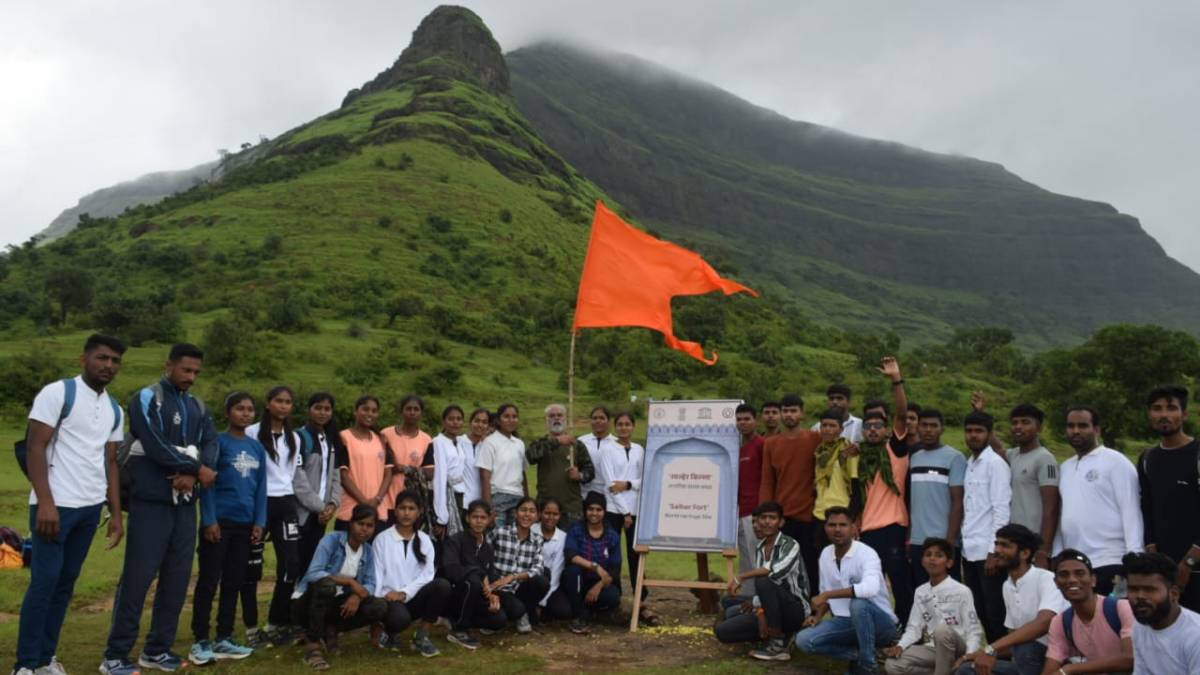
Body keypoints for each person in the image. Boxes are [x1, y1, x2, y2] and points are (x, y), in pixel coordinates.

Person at [102, 343, 218, 675]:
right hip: (151, 504)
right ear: (169, 365)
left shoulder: (197, 405)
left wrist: (194, 470)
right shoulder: (147, 398)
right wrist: (194, 469)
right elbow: (152, 443)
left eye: (196, 372)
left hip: (185, 507)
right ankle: (115, 654)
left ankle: (157, 649)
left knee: (177, 580)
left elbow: (211, 442)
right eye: (186, 370)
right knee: (138, 580)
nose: (191, 377)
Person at [16, 334, 126, 675]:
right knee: (44, 581)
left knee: (65, 583)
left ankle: (46, 658)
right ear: (84, 359)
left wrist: (116, 513)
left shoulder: (114, 409)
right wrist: (46, 502)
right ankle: (25, 665)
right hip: (56, 505)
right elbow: (35, 447)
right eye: (102, 358)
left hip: (90, 507)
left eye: (114, 361)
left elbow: (110, 462)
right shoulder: (58, 393)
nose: (108, 366)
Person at [188, 392, 266, 666]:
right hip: (219, 523)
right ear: (228, 411)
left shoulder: (257, 449)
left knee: (234, 581)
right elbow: (206, 484)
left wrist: (260, 521)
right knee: (209, 581)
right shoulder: (216, 443)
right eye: (239, 408)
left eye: (249, 409)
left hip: (245, 525)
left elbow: (261, 489)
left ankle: (224, 637)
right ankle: (200, 640)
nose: (245, 413)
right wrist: (209, 519)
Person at [795, 506, 897, 674]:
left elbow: (870, 589)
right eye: (832, 525)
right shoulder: (826, 554)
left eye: (843, 525)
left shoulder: (867, 553)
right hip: (845, 622)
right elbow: (825, 594)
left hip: (880, 624)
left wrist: (827, 594)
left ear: (853, 527)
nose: (837, 530)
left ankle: (868, 668)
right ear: (825, 527)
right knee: (805, 640)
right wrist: (818, 616)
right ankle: (865, 655)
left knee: (858, 604)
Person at [247, 385, 312, 646]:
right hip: (258, 502)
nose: (283, 406)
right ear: (268, 403)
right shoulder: (252, 432)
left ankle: (276, 622)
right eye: (279, 401)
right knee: (251, 567)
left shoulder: (294, 438)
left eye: (288, 402)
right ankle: (251, 628)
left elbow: (289, 473)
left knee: (291, 564)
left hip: (285, 503)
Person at [954, 524, 1067, 675]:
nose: (997, 550)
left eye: (1005, 546)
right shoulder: (1007, 586)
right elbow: (1012, 642)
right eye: (996, 544)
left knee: (1025, 647)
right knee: (967, 669)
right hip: (1026, 663)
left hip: (1057, 663)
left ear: (1024, 553)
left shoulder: (1046, 578)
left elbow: (1044, 623)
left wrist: (991, 648)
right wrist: (977, 654)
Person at [1056, 405, 1141, 596]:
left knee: (1116, 618)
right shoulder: (1065, 468)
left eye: (1083, 426)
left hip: (1112, 561)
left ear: (1096, 430)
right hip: (1078, 566)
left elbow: (1131, 510)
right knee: (1085, 622)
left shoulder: (1116, 462)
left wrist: (1134, 557)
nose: (1076, 431)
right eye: (1071, 426)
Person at [292, 504, 387, 671]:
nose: (364, 529)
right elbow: (313, 573)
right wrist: (349, 582)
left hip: (334, 604)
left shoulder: (368, 551)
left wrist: (357, 596)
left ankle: (331, 629)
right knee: (327, 585)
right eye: (360, 523)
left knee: (378, 606)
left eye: (369, 525)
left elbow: (371, 584)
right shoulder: (332, 540)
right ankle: (312, 646)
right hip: (307, 603)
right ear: (351, 523)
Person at [860, 356, 915, 628]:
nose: (872, 430)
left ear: (886, 430)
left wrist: (896, 379)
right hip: (866, 531)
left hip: (892, 526)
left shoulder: (894, 451)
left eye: (878, 426)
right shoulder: (859, 458)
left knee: (899, 581)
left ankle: (905, 627)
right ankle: (879, 628)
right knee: (872, 585)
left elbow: (902, 414)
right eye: (867, 426)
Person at [717, 501, 811, 661]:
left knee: (763, 581)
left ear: (781, 522)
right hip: (770, 607)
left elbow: (774, 572)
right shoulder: (760, 548)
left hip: (794, 609)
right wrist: (759, 609)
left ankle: (777, 643)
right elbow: (764, 590)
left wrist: (741, 577)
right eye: (763, 518)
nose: (767, 522)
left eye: (772, 518)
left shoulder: (790, 544)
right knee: (723, 628)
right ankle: (779, 636)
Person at [1137, 385, 1200, 611]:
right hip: (1164, 573)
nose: (1164, 414)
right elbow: (1147, 508)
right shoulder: (1148, 458)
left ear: (1184, 414)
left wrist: (1189, 563)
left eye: (1171, 408)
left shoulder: (1197, 454)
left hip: (1194, 568)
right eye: (1157, 408)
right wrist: (1152, 556)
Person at [883, 538, 983, 675]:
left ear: (949, 563)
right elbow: (914, 628)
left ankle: (949, 669)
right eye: (928, 555)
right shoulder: (921, 592)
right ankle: (947, 671)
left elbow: (974, 631)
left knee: (941, 630)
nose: (932, 559)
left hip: (958, 648)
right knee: (893, 665)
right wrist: (901, 645)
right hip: (933, 649)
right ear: (923, 561)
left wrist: (968, 656)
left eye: (939, 555)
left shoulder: (961, 591)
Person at [371, 491, 449, 657]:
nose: (406, 513)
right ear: (395, 510)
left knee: (442, 585)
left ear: (419, 511)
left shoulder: (425, 540)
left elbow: (427, 576)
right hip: (388, 599)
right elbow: (376, 574)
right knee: (400, 618)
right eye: (402, 508)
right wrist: (382, 599)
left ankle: (421, 637)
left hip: (412, 598)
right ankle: (390, 633)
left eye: (411, 508)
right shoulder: (382, 539)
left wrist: (404, 593)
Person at [760, 393, 823, 595]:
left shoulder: (815, 439)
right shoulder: (771, 443)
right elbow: (767, 481)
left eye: (793, 410)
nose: (789, 415)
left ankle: (813, 610)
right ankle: (787, 610)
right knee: (781, 567)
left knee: (811, 565)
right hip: (782, 517)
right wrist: (764, 517)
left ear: (802, 414)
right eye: (785, 411)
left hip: (809, 515)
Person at [960, 410, 1012, 643]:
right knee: (980, 610)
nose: (973, 436)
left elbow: (1001, 510)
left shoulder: (995, 464)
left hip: (987, 552)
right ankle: (993, 657)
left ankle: (1003, 661)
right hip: (969, 551)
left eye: (979, 431)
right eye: (969, 431)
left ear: (989, 434)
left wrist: (995, 551)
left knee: (995, 612)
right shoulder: (970, 464)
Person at [1040, 549, 1134, 675]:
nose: (1072, 579)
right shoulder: (1060, 622)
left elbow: (1131, 659)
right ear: (1056, 582)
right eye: (1064, 575)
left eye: (1079, 573)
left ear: (1093, 580)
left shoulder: (1121, 608)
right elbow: (1051, 668)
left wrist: (1071, 669)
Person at [908, 408, 967, 587]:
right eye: (924, 425)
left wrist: (949, 543)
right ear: (917, 427)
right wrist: (909, 537)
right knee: (922, 593)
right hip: (918, 541)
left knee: (947, 595)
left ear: (942, 429)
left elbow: (958, 502)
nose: (928, 430)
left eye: (933, 426)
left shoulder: (955, 457)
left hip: (942, 540)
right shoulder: (915, 458)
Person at [601, 412, 651, 620]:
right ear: (615, 427)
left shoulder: (639, 450)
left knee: (636, 554)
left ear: (633, 426)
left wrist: (629, 484)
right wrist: (625, 512)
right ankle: (616, 596)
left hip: (636, 509)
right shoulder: (608, 449)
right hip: (614, 509)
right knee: (613, 554)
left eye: (627, 424)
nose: (623, 427)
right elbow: (611, 484)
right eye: (619, 424)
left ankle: (641, 597)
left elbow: (644, 478)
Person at [1124, 551, 1200, 674]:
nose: (1139, 596)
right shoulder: (1140, 627)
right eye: (1133, 589)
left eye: (1149, 590)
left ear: (1173, 594)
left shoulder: (1195, 635)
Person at [295, 392, 344, 581]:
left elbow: (335, 474)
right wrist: (321, 507)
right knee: (295, 563)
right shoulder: (299, 437)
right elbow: (298, 479)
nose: (322, 413)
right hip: (302, 513)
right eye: (318, 408)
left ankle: (306, 604)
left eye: (327, 409)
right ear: (309, 410)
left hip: (322, 516)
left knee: (313, 564)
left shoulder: (330, 440)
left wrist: (333, 503)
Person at [440, 500, 502, 648]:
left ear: (488, 520)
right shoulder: (455, 540)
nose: (479, 521)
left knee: (499, 619)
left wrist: (493, 594)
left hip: (476, 598)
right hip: (455, 595)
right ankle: (459, 630)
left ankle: (456, 620)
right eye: (475, 517)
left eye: (483, 518)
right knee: (473, 580)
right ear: (467, 518)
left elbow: (490, 574)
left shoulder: (487, 547)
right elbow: (450, 569)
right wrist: (479, 573)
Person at [1004, 404, 1059, 570]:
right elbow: (997, 447)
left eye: (1025, 422)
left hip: (1034, 546)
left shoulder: (1045, 459)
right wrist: (980, 413)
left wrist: (1043, 552)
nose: (1018, 427)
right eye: (1015, 423)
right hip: (1015, 543)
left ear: (1039, 428)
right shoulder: (1013, 455)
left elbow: (1052, 508)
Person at [526, 403, 594, 531]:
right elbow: (530, 457)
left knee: (570, 548)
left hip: (571, 509)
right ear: (547, 420)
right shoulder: (540, 443)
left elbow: (590, 471)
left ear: (566, 419)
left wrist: (579, 475)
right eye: (552, 416)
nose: (556, 418)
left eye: (559, 415)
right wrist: (557, 441)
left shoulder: (577, 445)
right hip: (545, 508)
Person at [563, 492, 622, 634]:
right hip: (579, 581)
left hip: (599, 583)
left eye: (599, 510)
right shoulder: (576, 529)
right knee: (572, 571)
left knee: (613, 597)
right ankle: (580, 616)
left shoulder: (612, 535)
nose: (594, 513)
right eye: (590, 509)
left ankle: (587, 610)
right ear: (585, 511)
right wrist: (595, 567)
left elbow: (615, 569)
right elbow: (570, 555)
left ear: (604, 511)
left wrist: (599, 586)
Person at [487, 496, 548, 632]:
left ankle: (524, 612)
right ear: (516, 513)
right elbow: (483, 554)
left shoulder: (537, 540)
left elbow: (538, 568)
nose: (527, 514)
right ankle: (513, 612)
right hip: (499, 587)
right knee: (507, 614)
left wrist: (513, 577)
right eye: (523, 510)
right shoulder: (500, 532)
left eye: (532, 511)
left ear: (537, 516)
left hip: (519, 587)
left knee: (542, 581)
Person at [336, 396, 395, 535]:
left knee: (375, 555)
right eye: (365, 409)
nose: (370, 414)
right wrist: (364, 502)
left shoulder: (381, 439)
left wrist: (377, 499)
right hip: (351, 510)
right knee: (347, 554)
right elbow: (342, 475)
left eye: (374, 411)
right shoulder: (343, 437)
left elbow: (388, 473)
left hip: (378, 510)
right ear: (355, 411)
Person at [476, 403, 528, 528]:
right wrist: (488, 508)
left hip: (518, 498)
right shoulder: (490, 442)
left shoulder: (519, 444)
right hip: (498, 498)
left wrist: (527, 501)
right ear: (498, 420)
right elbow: (485, 476)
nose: (511, 420)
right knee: (497, 539)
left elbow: (523, 475)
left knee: (515, 539)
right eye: (506, 417)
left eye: (514, 417)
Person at [381, 394, 433, 512]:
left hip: (411, 503)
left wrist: (405, 469)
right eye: (408, 409)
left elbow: (430, 473)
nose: (412, 412)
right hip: (386, 499)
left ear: (421, 413)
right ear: (401, 411)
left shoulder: (426, 439)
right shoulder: (386, 434)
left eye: (416, 409)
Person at [428, 405, 472, 539]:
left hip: (459, 494)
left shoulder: (459, 442)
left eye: (459, 419)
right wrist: (442, 516)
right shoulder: (438, 442)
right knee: (447, 539)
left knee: (458, 538)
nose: (455, 422)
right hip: (446, 495)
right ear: (444, 421)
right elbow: (440, 478)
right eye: (451, 419)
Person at [812, 409, 861, 522]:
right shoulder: (820, 452)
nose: (828, 429)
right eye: (824, 425)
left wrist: (852, 518)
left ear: (841, 429)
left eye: (832, 426)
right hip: (819, 513)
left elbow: (855, 485)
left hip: (841, 513)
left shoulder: (848, 450)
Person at [735, 404, 766, 576]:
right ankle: (746, 598)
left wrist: (762, 512)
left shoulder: (761, 444)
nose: (742, 423)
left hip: (755, 511)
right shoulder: (737, 447)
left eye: (747, 419)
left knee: (757, 557)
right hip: (740, 509)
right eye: (739, 419)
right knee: (746, 556)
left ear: (756, 421)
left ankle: (758, 600)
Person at [537, 497, 572, 622]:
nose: (550, 517)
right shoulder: (531, 530)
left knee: (564, 611)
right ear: (540, 513)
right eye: (547, 513)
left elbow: (556, 572)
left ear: (560, 516)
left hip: (550, 584)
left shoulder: (563, 537)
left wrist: (543, 601)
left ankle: (543, 609)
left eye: (555, 514)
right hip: (529, 581)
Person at [577, 406, 616, 501]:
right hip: (584, 495)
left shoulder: (616, 443)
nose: (598, 421)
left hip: (608, 496)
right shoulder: (581, 441)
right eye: (594, 418)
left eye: (602, 418)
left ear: (609, 421)